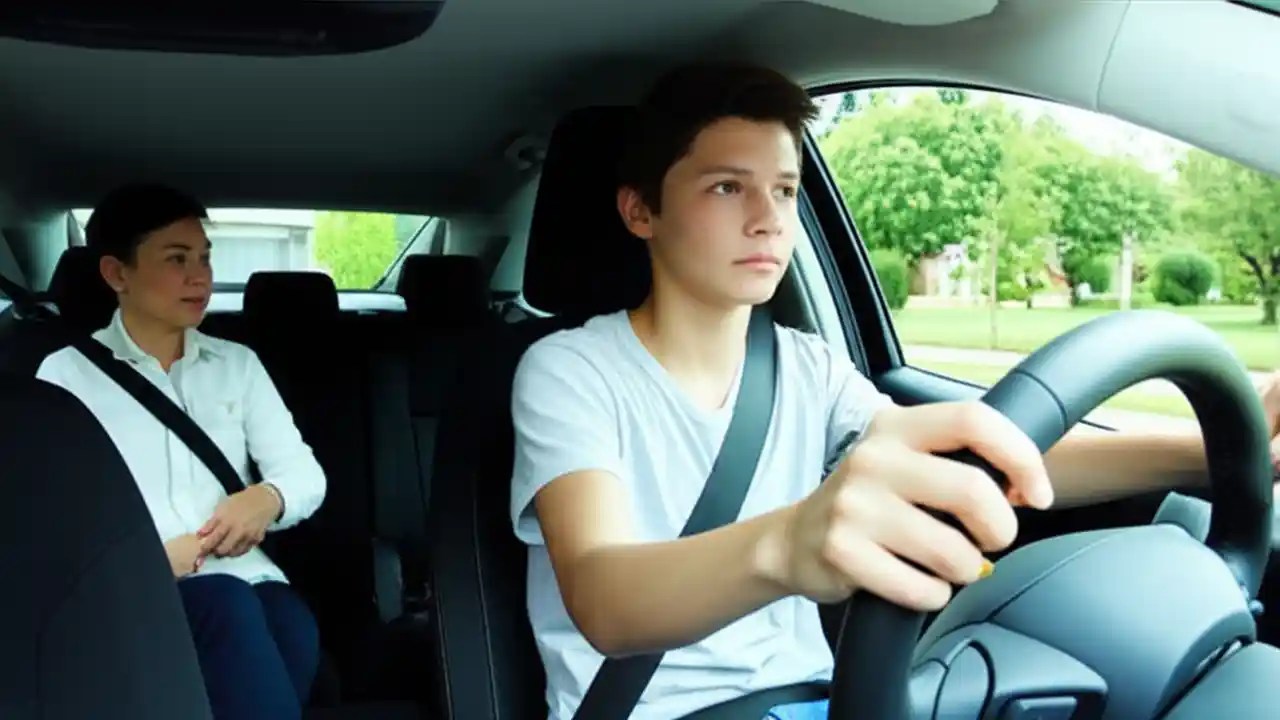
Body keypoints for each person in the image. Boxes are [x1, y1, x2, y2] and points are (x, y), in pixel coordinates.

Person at [509, 62, 1280, 720]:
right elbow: (605, 596)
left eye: (783, 190)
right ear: (640, 210)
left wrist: (1219, 447)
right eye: (724, 188)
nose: (768, 220)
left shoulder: (806, 367)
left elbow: (987, 454)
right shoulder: (571, 370)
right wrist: (786, 541)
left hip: (826, 699)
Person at [36, 184, 327, 720]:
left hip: (250, 579)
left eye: (204, 258)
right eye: (176, 259)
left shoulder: (237, 364)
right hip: (133, 591)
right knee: (227, 609)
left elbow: (303, 473)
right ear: (116, 274)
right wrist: (145, 560)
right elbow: (53, 523)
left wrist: (267, 498)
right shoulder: (63, 376)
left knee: (288, 622)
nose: (201, 277)